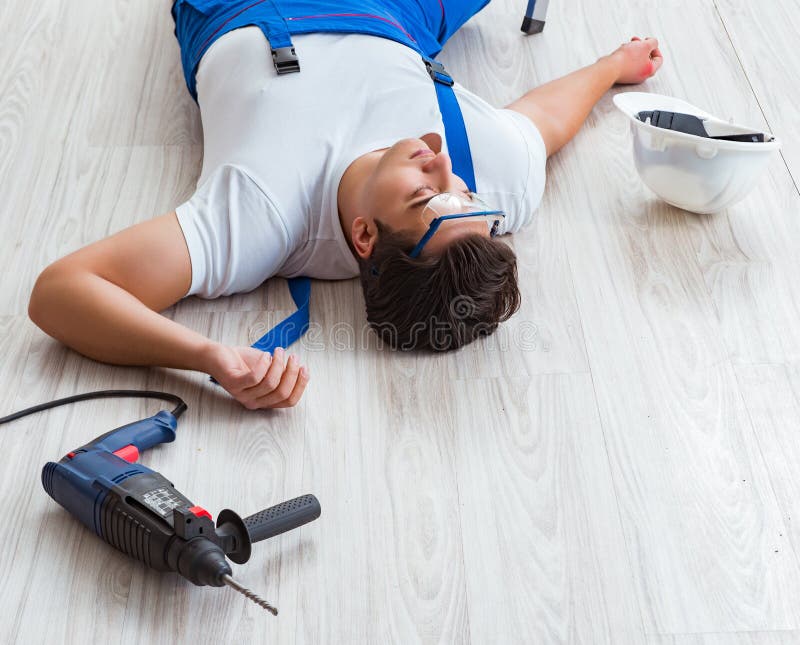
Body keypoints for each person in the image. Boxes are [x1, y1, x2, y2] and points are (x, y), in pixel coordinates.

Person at [27, 0, 663, 410]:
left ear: (364, 236)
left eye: (424, 194)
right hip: (394, 12)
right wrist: (612, 66)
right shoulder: (496, 189)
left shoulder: (262, 215)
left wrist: (208, 357)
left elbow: (60, 292)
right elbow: (543, 122)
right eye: (461, 191)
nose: (442, 160)